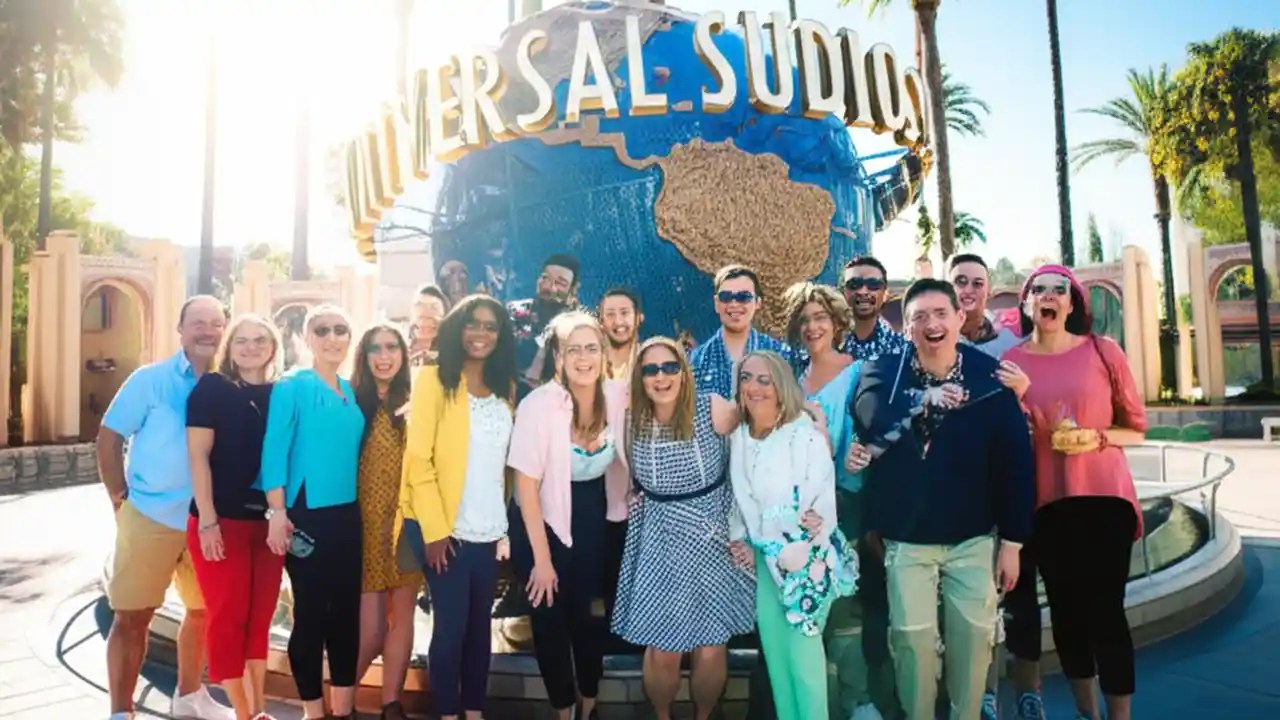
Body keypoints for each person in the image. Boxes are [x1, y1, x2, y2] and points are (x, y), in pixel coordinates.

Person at [851, 279, 1034, 720]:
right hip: (908, 537)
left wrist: (1012, 543)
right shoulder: (885, 373)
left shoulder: (989, 379)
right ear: (906, 327)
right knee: (911, 642)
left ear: (959, 318)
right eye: (919, 317)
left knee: (973, 643)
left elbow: (1015, 464)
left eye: (940, 314)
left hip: (972, 538)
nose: (930, 324)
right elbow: (871, 416)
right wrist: (923, 398)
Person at [1002, 266, 1147, 720]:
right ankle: (1088, 713)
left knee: (1107, 613)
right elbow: (1009, 439)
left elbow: (1137, 429)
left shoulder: (1104, 351)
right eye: (1038, 289)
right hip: (1047, 502)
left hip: (1105, 499)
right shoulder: (1011, 365)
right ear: (1027, 303)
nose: (1048, 295)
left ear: (1072, 303)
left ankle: (1119, 717)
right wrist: (1023, 398)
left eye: (1058, 289)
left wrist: (1097, 437)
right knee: (1065, 615)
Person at [97, 294, 235, 720]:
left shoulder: (232, 384)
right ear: (180, 329)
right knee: (132, 617)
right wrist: (120, 499)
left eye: (216, 323)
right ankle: (121, 711)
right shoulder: (150, 380)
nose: (207, 331)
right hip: (151, 517)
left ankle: (189, 696)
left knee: (204, 612)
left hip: (208, 521)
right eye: (198, 322)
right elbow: (109, 438)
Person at [611, 337, 754, 720]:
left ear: (684, 372)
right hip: (659, 540)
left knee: (711, 646)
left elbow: (761, 427)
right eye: (650, 370)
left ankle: (703, 717)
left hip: (712, 538)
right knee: (663, 648)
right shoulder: (630, 419)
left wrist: (813, 419)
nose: (661, 377)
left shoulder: (711, 407)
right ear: (639, 378)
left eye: (670, 367)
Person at [507, 311, 630, 720]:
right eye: (572, 349)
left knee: (590, 615)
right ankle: (562, 710)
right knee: (550, 618)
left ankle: (588, 704)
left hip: (593, 514)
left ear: (604, 354)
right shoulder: (538, 405)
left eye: (591, 348)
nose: (583, 358)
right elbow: (526, 486)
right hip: (539, 520)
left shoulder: (619, 397)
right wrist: (542, 562)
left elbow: (671, 400)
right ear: (558, 357)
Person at [401, 295, 519, 720]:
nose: (480, 334)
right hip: (446, 530)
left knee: (479, 631)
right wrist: (435, 532)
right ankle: (449, 714)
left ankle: (474, 711)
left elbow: (503, 465)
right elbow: (419, 461)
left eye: (490, 326)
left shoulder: (505, 388)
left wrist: (505, 527)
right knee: (450, 630)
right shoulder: (433, 381)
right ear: (456, 328)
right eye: (473, 324)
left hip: (489, 529)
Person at [728, 350, 857, 720]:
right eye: (746, 378)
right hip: (765, 562)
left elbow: (820, 503)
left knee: (804, 663)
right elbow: (742, 500)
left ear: (781, 386)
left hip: (804, 561)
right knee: (778, 663)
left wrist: (809, 532)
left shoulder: (804, 435)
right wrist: (742, 537)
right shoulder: (739, 437)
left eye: (764, 380)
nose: (754, 387)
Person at [779, 282, 883, 720]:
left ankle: (859, 699)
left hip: (848, 502)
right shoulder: (792, 381)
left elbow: (873, 431)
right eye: (804, 320)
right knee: (811, 601)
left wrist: (862, 452)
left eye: (820, 317)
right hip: (803, 510)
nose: (812, 327)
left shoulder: (860, 372)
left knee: (846, 603)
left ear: (837, 322)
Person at [944, 253, 1041, 720]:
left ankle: (1028, 692)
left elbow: (1035, 414)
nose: (968, 290)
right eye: (959, 281)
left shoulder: (1012, 347)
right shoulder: (931, 341)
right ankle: (981, 690)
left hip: (1006, 483)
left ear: (988, 289)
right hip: (961, 493)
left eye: (976, 282)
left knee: (1019, 596)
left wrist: (1026, 392)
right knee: (971, 603)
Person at [260, 306, 366, 720]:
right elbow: (274, 450)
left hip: (347, 516)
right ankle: (313, 712)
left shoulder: (350, 390)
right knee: (310, 616)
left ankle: (343, 710)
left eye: (341, 329)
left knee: (346, 616)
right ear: (307, 338)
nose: (332, 337)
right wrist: (277, 513)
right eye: (322, 330)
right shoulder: (292, 386)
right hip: (306, 515)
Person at [186, 313, 285, 720]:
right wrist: (208, 521)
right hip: (221, 522)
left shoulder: (283, 393)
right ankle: (243, 714)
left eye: (260, 339)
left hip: (268, 525)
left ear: (273, 346)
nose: (251, 347)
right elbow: (198, 456)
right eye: (241, 340)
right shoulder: (213, 388)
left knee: (260, 619)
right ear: (229, 346)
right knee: (228, 618)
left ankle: (259, 710)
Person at [350, 324, 418, 720]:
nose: (384, 355)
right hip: (362, 524)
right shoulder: (349, 400)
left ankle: (391, 703)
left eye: (392, 347)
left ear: (403, 354)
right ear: (364, 355)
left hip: (405, 522)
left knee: (402, 619)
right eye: (375, 348)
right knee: (372, 629)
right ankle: (336, 700)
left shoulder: (415, 402)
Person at [689, 264, 785, 397]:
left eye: (743, 297)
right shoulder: (696, 361)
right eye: (726, 297)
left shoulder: (780, 355)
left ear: (758, 303)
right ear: (716, 303)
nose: (734, 304)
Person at [509, 253, 582, 400]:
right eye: (545, 278)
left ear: (573, 289)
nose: (550, 287)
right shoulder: (514, 312)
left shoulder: (581, 324)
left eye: (560, 283)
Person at [949, 254, 1024, 359]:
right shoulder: (932, 338)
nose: (968, 290)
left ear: (989, 292)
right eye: (961, 282)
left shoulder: (1008, 345)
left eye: (977, 284)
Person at [840, 256, 909, 361]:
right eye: (854, 284)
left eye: (873, 284)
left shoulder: (902, 349)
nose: (863, 291)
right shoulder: (827, 343)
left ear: (885, 293)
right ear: (844, 292)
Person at [600, 286, 644, 382]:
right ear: (601, 322)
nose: (618, 321)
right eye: (610, 314)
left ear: (638, 318)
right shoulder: (591, 365)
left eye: (624, 313)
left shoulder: (648, 363)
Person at [409, 284, 450, 367]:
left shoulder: (451, 350)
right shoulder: (400, 347)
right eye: (419, 304)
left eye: (434, 307)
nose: (426, 312)